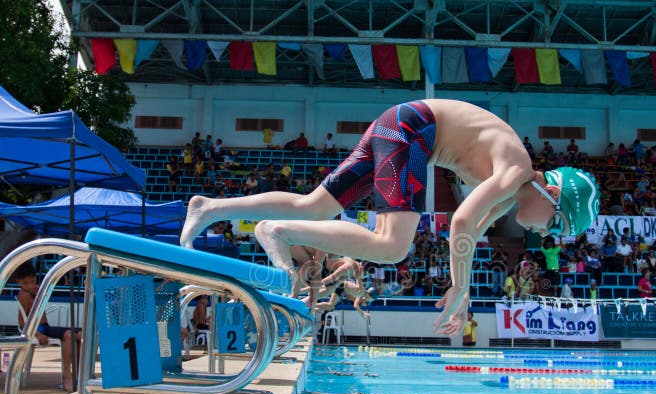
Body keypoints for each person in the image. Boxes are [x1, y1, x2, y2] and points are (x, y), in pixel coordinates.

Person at [179, 99, 600, 336]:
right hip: (412, 133)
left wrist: (463, 291)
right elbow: (461, 225)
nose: (547, 232)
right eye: (556, 224)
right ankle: (277, 231)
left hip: (397, 126)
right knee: (393, 245)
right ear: (554, 193)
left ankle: (209, 208)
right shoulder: (516, 172)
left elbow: (470, 238)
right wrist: (460, 285)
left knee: (317, 206)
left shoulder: (508, 197)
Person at [14, 261, 82, 392]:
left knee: (79, 336)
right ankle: (66, 374)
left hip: (45, 326)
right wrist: (38, 334)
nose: (30, 285)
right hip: (38, 329)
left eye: (32, 281)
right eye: (26, 283)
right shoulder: (24, 295)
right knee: (69, 335)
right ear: (18, 282)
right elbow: (22, 322)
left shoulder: (35, 291)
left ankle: (77, 373)